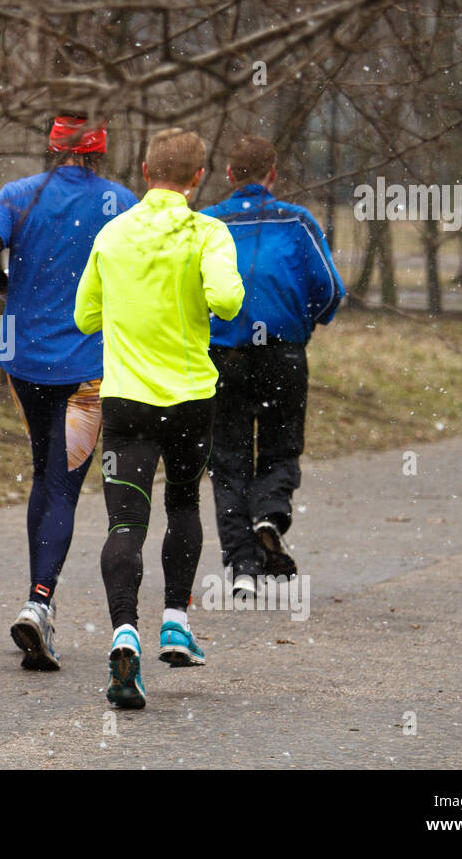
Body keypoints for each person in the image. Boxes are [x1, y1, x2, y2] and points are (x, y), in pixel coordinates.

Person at [74, 128, 243, 709]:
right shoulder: (210, 233)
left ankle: (125, 634)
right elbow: (227, 301)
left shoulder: (112, 232)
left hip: (126, 402)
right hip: (192, 398)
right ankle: (175, 620)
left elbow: (85, 316)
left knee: (126, 523)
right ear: (200, 178)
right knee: (183, 505)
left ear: (145, 170)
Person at [0, 114, 138, 671]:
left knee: (43, 471)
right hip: (89, 366)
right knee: (63, 485)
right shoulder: (119, 202)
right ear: (101, 150)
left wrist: (5, 287)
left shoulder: (19, 194)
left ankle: (37, 598)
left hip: (25, 360)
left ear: (54, 145)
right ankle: (39, 602)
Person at [200, 136, 345, 593]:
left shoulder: (206, 224)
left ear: (228, 175)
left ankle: (242, 566)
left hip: (221, 353)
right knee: (281, 445)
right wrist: (306, 321)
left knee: (227, 458)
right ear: (273, 175)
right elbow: (330, 289)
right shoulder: (296, 222)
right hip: (282, 352)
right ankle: (270, 514)